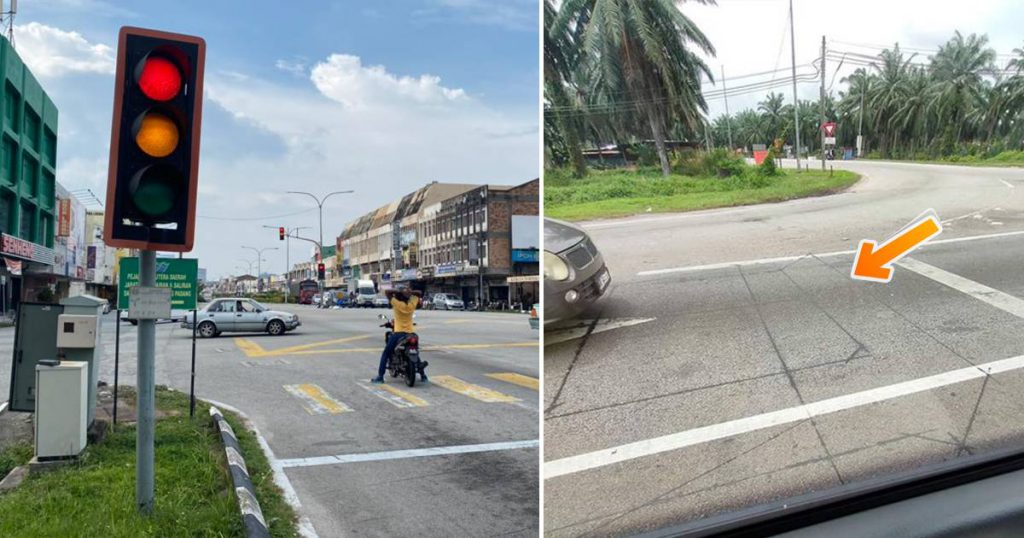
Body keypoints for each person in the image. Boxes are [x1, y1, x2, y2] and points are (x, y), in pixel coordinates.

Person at [371, 286, 425, 383]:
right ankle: (423, 375)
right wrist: (410, 291)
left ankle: (380, 376)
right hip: (410, 333)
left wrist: (401, 291)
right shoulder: (412, 303)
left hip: (398, 333)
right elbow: (419, 292)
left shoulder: (397, 303)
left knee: (386, 353)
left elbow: (387, 292)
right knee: (415, 352)